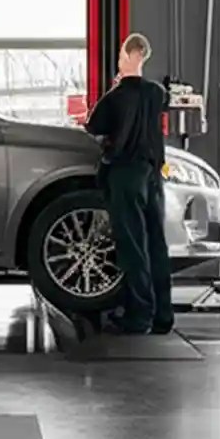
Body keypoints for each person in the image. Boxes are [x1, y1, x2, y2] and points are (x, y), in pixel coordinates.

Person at [84, 33, 174, 335]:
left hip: (125, 174)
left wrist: (116, 85)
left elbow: (94, 127)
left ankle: (139, 316)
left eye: (122, 56)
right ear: (144, 57)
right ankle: (163, 316)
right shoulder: (157, 93)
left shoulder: (115, 97)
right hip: (153, 176)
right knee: (156, 244)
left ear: (127, 56)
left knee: (133, 247)